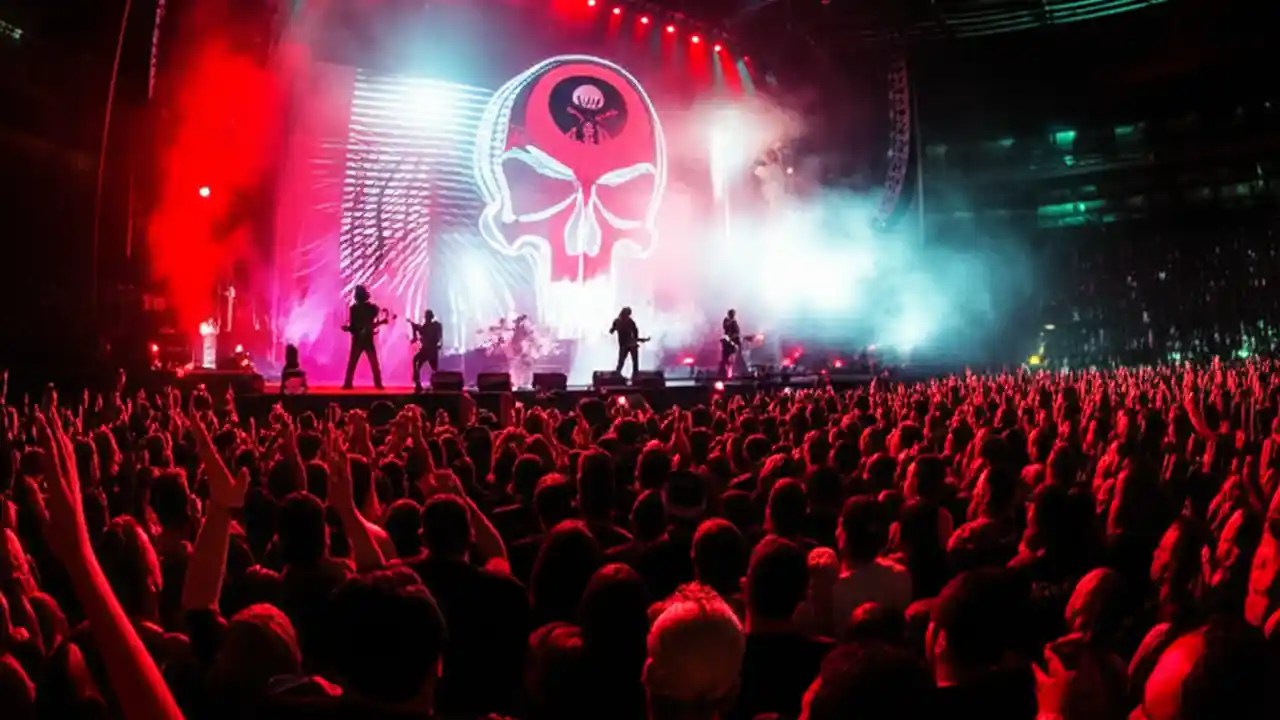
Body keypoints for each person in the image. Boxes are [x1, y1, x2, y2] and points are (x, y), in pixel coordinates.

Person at [341, 285, 386, 390]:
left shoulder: (354, 309)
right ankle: (378, 384)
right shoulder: (371, 308)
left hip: (359, 339)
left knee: (353, 362)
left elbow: (354, 326)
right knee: (373, 363)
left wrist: (349, 329)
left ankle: (348, 383)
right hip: (366, 339)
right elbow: (371, 323)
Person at [409, 310, 442, 393]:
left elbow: (433, 335)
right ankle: (417, 382)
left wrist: (416, 328)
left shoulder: (435, 326)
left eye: (427, 316)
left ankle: (436, 384)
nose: (426, 318)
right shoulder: (428, 326)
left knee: (434, 368)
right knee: (417, 361)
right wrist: (415, 327)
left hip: (430, 350)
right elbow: (421, 331)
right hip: (427, 350)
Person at [610, 307, 644, 377]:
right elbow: (635, 332)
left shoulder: (619, 321)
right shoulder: (628, 321)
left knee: (622, 361)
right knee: (630, 362)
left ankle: (622, 374)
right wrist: (637, 339)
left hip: (626, 344)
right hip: (628, 344)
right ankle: (634, 375)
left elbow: (611, 331)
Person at [719, 309, 741, 378]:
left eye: (733, 314)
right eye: (731, 314)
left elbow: (737, 332)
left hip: (732, 343)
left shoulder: (734, 322)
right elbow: (726, 327)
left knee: (731, 359)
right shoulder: (728, 321)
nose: (732, 315)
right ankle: (726, 373)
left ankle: (729, 373)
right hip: (728, 343)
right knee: (726, 359)